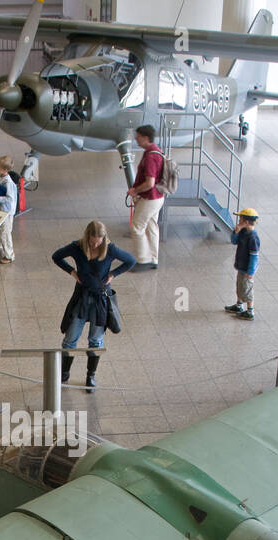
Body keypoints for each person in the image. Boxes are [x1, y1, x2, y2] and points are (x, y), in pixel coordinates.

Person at [52, 220, 136, 391]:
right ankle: (65, 373)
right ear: (87, 236)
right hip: (81, 297)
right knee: (70, 339)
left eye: (98, 240)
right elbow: (56, 256)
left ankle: (91, 376)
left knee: (95, 340)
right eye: (92, 240)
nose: (95, 243)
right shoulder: (77, 247)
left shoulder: (110, 249)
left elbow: (130, 261)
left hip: (100, 300)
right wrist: (72, 272)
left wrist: (113, 274)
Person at [125, 124, 164, 270]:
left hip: (150, 198)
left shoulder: (150, 157)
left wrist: (135, 190)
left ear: (145, 137)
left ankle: (143, 260)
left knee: (137, 226)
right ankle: (153, 258)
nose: (136, 138)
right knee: (152, 226)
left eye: (138, 136)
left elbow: (150, 183)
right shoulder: (155, 151)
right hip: (158, 197)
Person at [224, 208, 260, 319]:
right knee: (239, 286)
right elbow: (234, 241)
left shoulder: (253, 237)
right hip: (241, 265)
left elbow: (254, 257)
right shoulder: (243, 232)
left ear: (246, 221)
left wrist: (250, 271)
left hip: (247, 269)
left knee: (247, 289)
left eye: (241, 218)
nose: (239, 220)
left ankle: (250, 311)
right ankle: (239, 305)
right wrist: (236, 231)